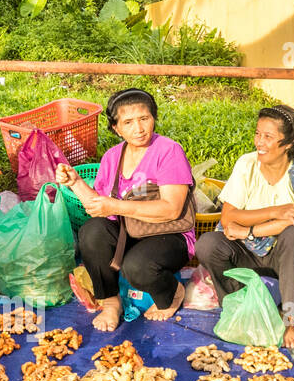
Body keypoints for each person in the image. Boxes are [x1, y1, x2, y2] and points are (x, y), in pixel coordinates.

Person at [56, 88, 195, 330]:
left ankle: (173, 291)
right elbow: (99, 208)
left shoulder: (169, 151)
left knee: (137, 268)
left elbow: (172, 210)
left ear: (154, 118)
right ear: (116, 128)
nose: (139, 129)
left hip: (167, 234)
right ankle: (111, 302)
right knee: (92, 231)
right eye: (128, 122)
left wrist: (117, 205)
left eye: (144, 119)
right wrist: (75, 183)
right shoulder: (112, 157)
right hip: (127, 231)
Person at [197, 105, 294, 349]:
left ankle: (289, 320)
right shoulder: (247, 164)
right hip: (248, 252)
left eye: (268, 137)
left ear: (289, 142)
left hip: (286, 255)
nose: (259, 142)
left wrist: (249, 230)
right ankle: (238, 303)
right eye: (258, 134)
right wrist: (276, 211)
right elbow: (228, 218)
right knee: (208, 244)